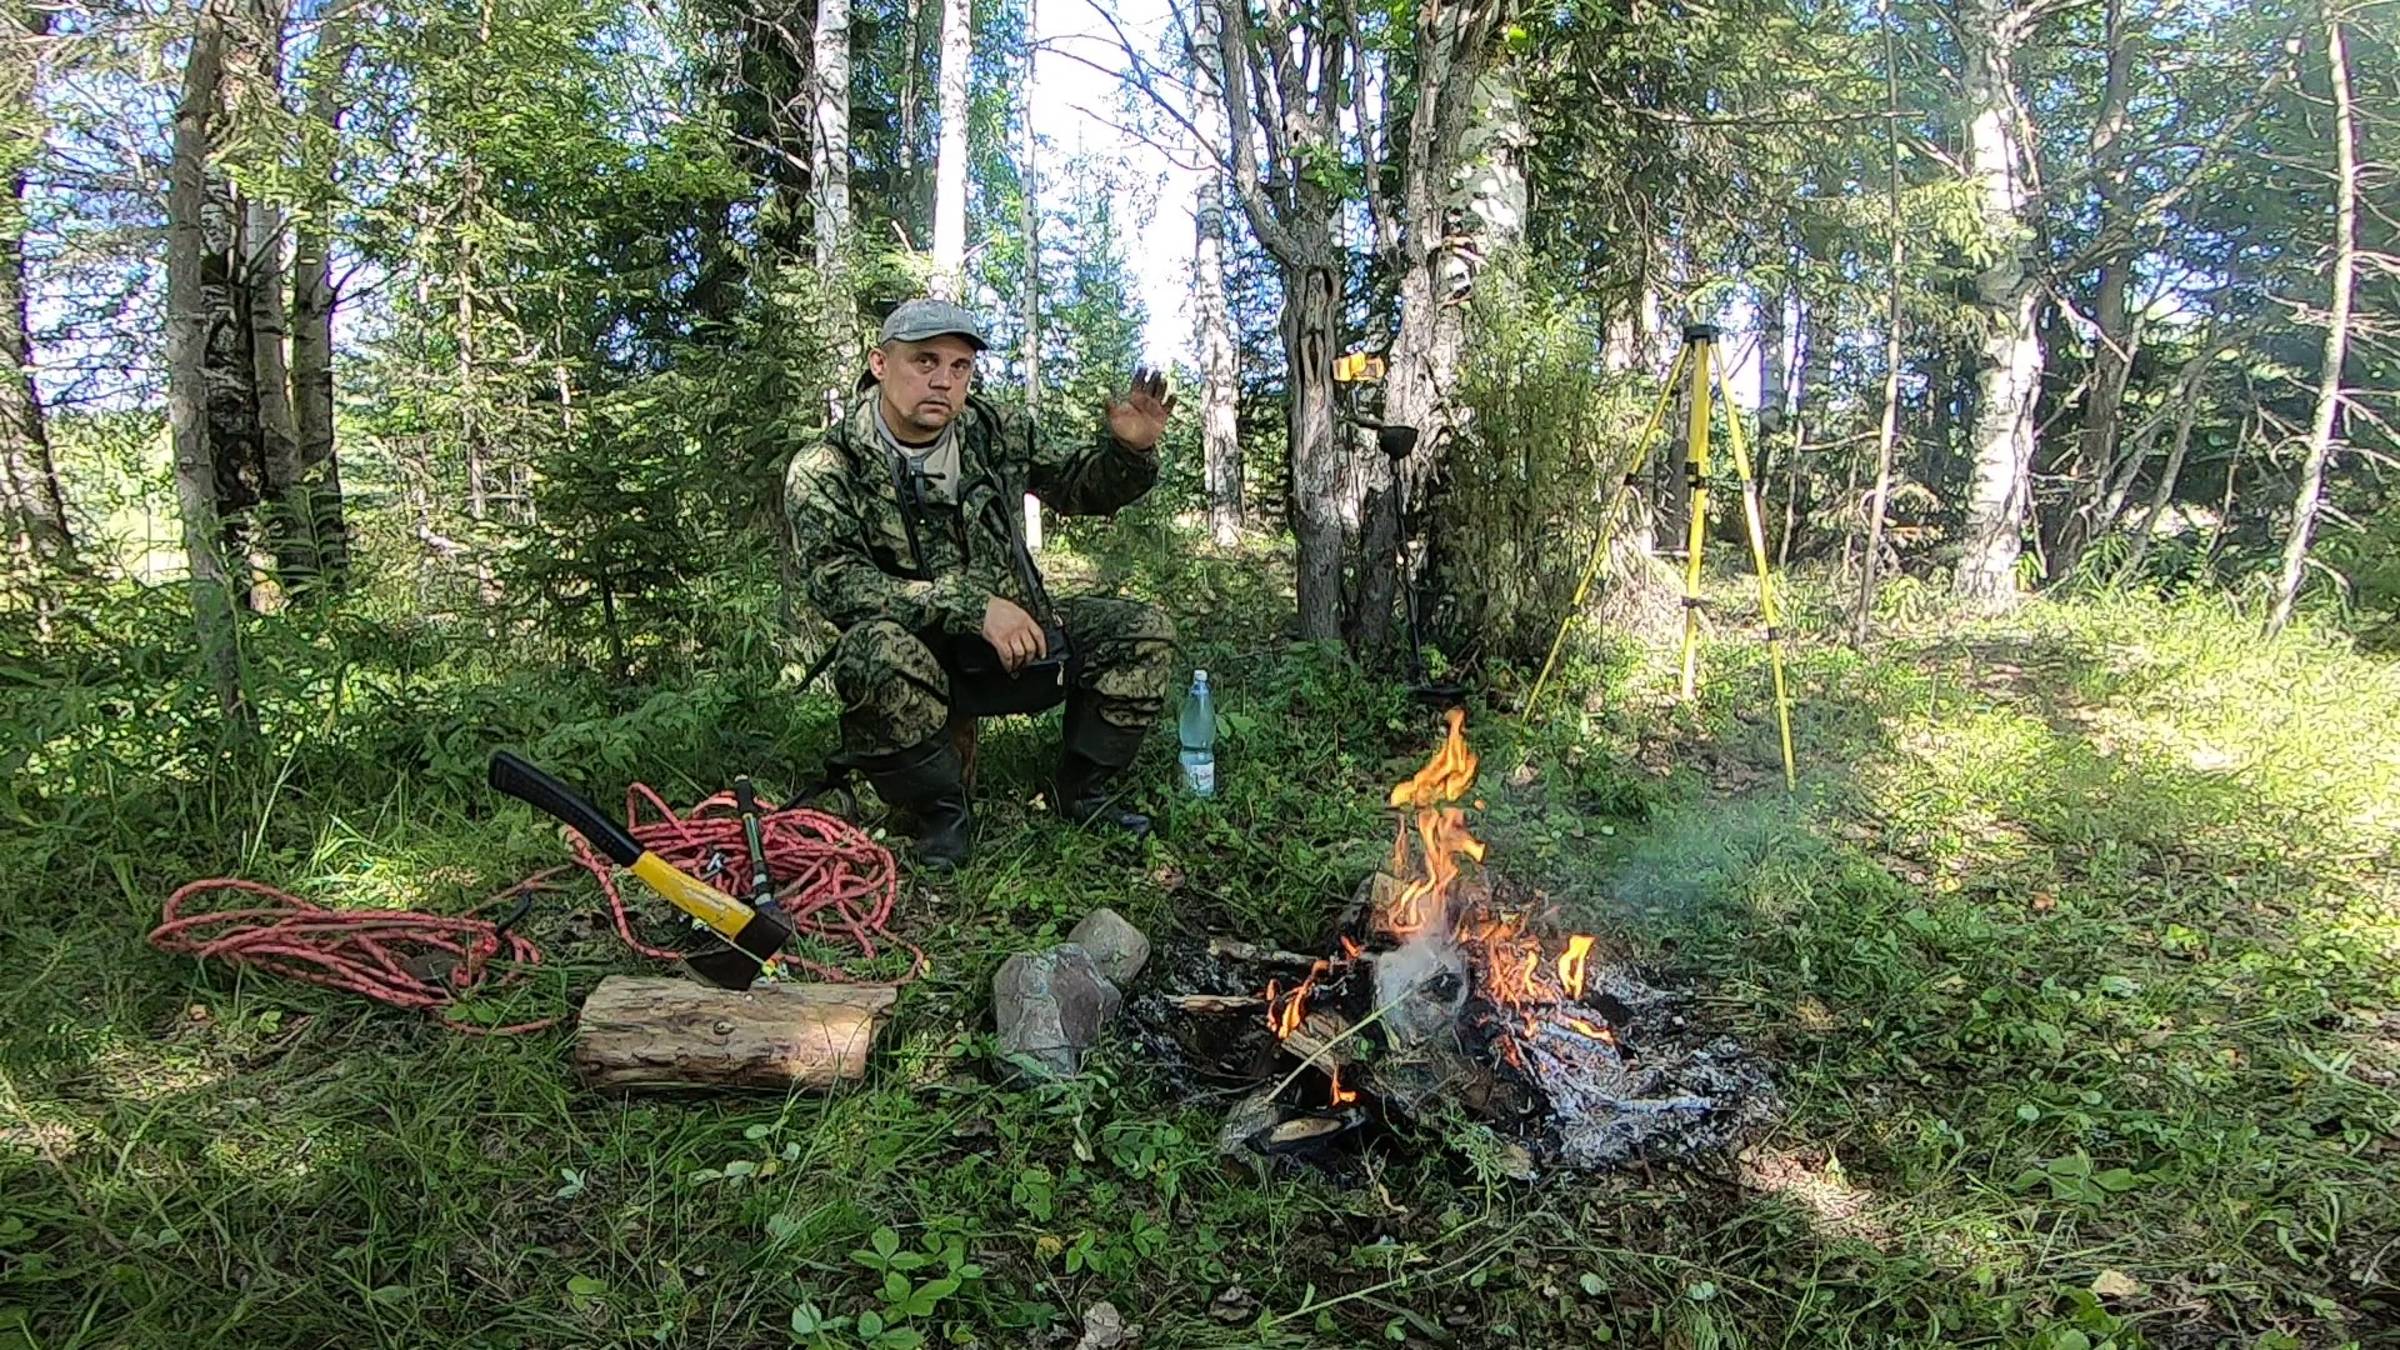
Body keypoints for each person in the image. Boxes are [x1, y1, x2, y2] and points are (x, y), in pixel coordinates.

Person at [785, 298, 1178, 869]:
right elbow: (836, 584)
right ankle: (939, 816)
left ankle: (1083, 791)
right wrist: (971, 607)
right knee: (869, 653)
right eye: (925, 361)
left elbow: (1078, 486)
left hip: (1017, 645)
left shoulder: (994, 430)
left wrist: (1129, 451)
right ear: (880, 364)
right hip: (919, 660)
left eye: (960, 366)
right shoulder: (828, 466)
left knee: (1143, 631)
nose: (943, 381)